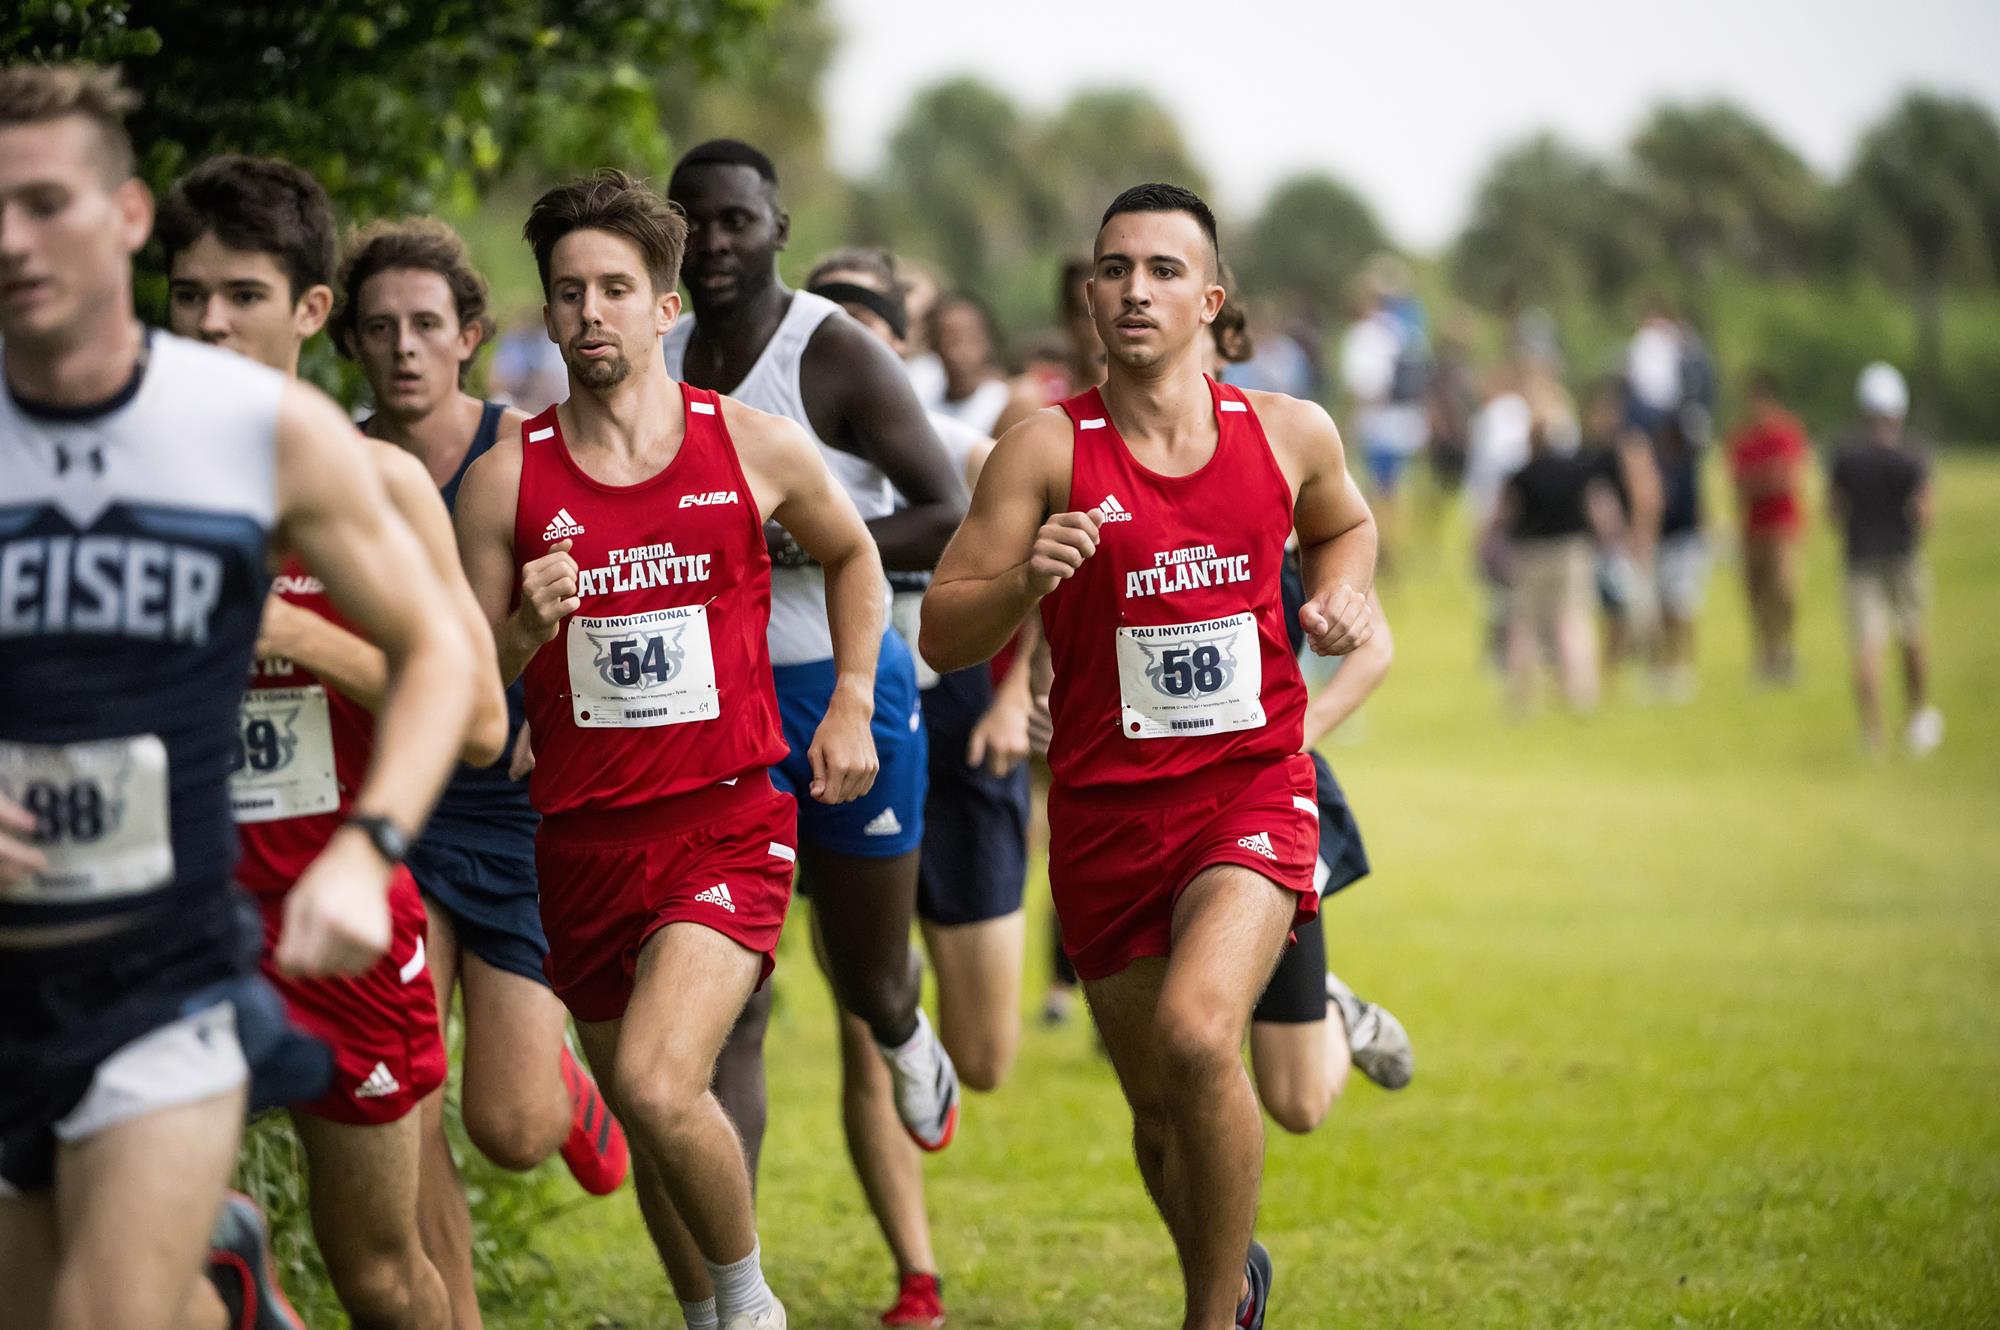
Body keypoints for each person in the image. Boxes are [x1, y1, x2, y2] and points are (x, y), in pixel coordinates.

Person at [0, 66, 474, 1330]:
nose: (10, 237)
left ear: (123, 215)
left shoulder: (270, 440)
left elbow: (453, 670)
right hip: (21, 958)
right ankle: (238, 1298)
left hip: (185, 958)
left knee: (355, 1272)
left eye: (44, 201)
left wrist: (368, 847)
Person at [923, 182, 1378, 1330]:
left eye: (1163, 270)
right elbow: (941, 626)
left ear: (1209, 300)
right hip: (1103, 817)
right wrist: (1026, 579)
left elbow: (1345, 523)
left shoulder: (1286, 432)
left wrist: (1341, 593)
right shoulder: (1041, 449)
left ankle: (1208, 1316)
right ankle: (1232, 1278)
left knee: (1194, 1032)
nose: (1135, 289)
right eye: (1115, 269)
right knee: (1157, 1111)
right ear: (1088, 297)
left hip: (1249, 795)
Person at [454, 167, 888, 1330]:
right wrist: (523, 629)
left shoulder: (749, 443)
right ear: (545, 313)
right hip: (582, 844)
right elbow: (461, 690)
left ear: (663, 305)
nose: (588, 312)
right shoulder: (507, 480)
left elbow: (853, 558)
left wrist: (849, 699)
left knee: (655, 1078)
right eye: (566, 292)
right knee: (646, 1110)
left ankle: (750, 1306)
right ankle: (703, 1315)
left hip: (726, 819)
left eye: (613, 288)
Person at [159, 152, 513, 1330]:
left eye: (243, 295)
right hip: (167, 919)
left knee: (379, 1273)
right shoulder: (120, 481)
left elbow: (475, 720)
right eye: (187, 293)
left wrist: (292, 635)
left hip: (339, 914)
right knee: (145, 1262)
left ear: (313, 311)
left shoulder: (377, 486)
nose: (210, 321)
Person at [332, 217, 631, 1328]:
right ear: (348, 344)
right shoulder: (331, 467)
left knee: (510, 1125)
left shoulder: (527, 454)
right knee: (405, 1100)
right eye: (378, 328)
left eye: (424, 325)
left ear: (467, 334)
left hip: (513, 804)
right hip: (388, 801)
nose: (402, 348)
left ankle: (566, 1096)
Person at [663, 141, 968, 1193]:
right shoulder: (654, 359)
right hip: (707, 700)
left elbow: (948, 513)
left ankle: (900, 1032)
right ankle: (731, 1277)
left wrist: (815, 542)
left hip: (844, 682)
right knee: (736, 997)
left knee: (865, 969)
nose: (711, 242)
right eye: (691, 220)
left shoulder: (830, 353)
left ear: (776, 228)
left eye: (734, 219)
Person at [806, 247, 1035, 1327]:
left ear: (895, 344)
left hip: (960, 735)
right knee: (867, 1005)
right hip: (841, 736)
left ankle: (938, 1056)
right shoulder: (775, 453)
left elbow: (1050, 555)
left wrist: (1009, 695)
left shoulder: (954, 449)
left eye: (866, 326)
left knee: (983, 1057)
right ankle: (916, 1275)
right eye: (825, 323)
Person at [1204, 279, 1414, 1127]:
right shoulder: (1090, 456)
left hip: (1267, 783)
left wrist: (1301, 729)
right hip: (1147, 786)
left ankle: (1332, 1006)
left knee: (1296, 1102)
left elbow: (1378, 645)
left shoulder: (1276, 463)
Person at [1830, 363, 1940, 756]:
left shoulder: (1847, 456)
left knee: (1867, 646)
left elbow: (1834, 510)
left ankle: (1872, 734)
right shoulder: (1912, 456)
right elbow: (1925, 514)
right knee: (1911, 637)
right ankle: (1917, 717)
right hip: (1903, 557)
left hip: (1860, 558)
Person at [1488, 412, 1619, 712]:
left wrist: (1489, 544)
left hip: (1530, 554)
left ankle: (1522, 698)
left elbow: (1502, 516)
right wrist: (1609, 540)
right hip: (1571, 551)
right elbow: (1600, 509)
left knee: (1525, 625)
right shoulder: (1578, 470)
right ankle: (1581, 692)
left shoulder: (1521, 474)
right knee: (1573, 619)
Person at [1727, 370, 1809, 684]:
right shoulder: (1741, 438)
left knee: (1784, 590)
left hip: (1782, 525)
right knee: (1756, 594)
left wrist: (1759, 480)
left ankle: (1785, 649)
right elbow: (1740, 483)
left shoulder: (1785, 432)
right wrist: (1765, 478)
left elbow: (1786, 478)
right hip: (1752, 526)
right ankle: (1765, 654)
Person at [1650, 410, 1707, 702]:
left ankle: (1683, 666)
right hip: (1664, 541)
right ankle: (1664, 667)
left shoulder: (1686, 465)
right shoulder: (1660, 465)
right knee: (1663, 607)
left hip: (1684, 542)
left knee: (1683, 606)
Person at [930, 293, 1011, 436]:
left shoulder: (1002, 404)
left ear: (985, 341)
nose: (951, 349)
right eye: (942, 338)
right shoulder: (923, 399)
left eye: (960, 339)